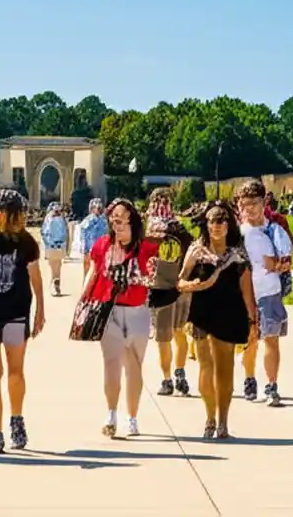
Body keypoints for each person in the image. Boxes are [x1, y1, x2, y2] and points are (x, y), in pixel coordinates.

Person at [0, 189, 46, 453]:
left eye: (0, 212)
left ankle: (16, 418)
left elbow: (35, 276)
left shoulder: (26, 242)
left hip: (16, 310)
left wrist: (40, 310)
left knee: (15, 370)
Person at [79, 198, 159, 438]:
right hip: (109, 310)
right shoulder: (103, 245)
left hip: (137, 310)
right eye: (113, 220)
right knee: (111, 365)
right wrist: (84, 299)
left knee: (134, 366)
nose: (117, 225)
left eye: (121, 220)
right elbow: (92, 272)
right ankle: (111, 413)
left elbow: (155, 278)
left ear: (132, 220)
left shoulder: (146, 248)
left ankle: (132, 417)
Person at [178, 200, 255, 439]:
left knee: (225, 369)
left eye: (222, 221)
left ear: (229, 225)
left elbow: (247, 292)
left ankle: (223, 421)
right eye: (212, 221)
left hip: (230, 314)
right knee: (205, 367)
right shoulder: (196, 252)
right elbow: (180, 283)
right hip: (202, 314)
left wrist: (253, 322)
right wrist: (193, 278)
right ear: (206, 224)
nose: (217, 225)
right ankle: (209, 417)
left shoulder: (237, 257)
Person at [236, 179, 293, 406]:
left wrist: (277, 265)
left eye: (254, 203)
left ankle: (272, 384)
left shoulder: (274, 230)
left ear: (264, 202)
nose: (249, 208)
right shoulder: (237, 233)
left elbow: (287, 261)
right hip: (244, 294)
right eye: (245, 203)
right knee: (249, 340)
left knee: (271, 339)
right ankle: (250, 378)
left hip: (269, 291)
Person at [144, 188, 195, 397]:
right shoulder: (181, 230)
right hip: (182, 287)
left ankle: (167, 380)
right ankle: (180, 371)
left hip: (160, 290)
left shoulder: (149, 231)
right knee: (179, 332)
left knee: (163, 338)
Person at [41, 203, 70, 296]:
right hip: (60, 246)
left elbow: (44, 232)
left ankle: (54, 280)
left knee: (52, 264)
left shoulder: (48, 219)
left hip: (50, 246)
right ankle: (57, 280)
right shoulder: (62, 219)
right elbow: (66, 234)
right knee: (58, 264)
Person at [77, 198, 109, 280]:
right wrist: (84, 248)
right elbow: (82, 235)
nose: (98, 209)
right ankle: (85, 284)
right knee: (88, 268)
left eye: (99, 208)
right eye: (96, 207)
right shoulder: (88, 220)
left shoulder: (104, 221)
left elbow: (106, 235)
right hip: (89, 249)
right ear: (91, 209)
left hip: (100, 249)